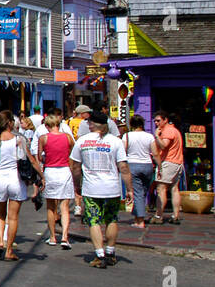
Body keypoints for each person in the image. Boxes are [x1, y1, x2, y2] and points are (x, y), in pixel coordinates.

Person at [70, 112, 134, 268]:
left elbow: (75, 166)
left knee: (94, 221)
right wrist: (130, 189)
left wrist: (77, 184)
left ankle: (99, 254)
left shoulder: (82, 141)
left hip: (92, 188)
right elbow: (123, 167)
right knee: (111, 219)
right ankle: (110, 252)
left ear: (92, 124)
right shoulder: (115, 141)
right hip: (112, 187)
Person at [0, 110, 42, 262]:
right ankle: (9, 250)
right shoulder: (18, 140)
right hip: (15, 180)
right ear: (10, 123)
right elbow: (31, 161)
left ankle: (0, 241)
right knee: (13, 217)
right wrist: (42, 176)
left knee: (0, 214)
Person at [38, 112, 74, 248]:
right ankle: (65, 237)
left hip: (50, 171)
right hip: (65, 171)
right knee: (64, 207)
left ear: (47, 125)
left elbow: (40, 157)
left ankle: (53, 237)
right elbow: (72, 153)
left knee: (51, 206)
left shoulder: (44, 138)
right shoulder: (68, 137)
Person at [123, 114, 157, 230]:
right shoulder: (149, 137)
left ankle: (140, 220)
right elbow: (155, 153)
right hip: (147, 165)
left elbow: (123, 151)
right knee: (142, 193)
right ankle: (137, 217)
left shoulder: (127, 136)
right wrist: (160, 166)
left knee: (137, 193)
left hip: (132, 165)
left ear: (131, 124)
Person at [152, 111, 184, 224]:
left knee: (161, 189)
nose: (156, 123)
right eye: (155, 121)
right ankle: (175, 215)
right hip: (178, 162)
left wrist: (156, 136)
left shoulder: (168, 131)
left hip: (169, 162)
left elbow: (164, 145)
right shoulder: (175, 130)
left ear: (165, 120)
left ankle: (158, 216)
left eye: (158, 120)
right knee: (174, 189)